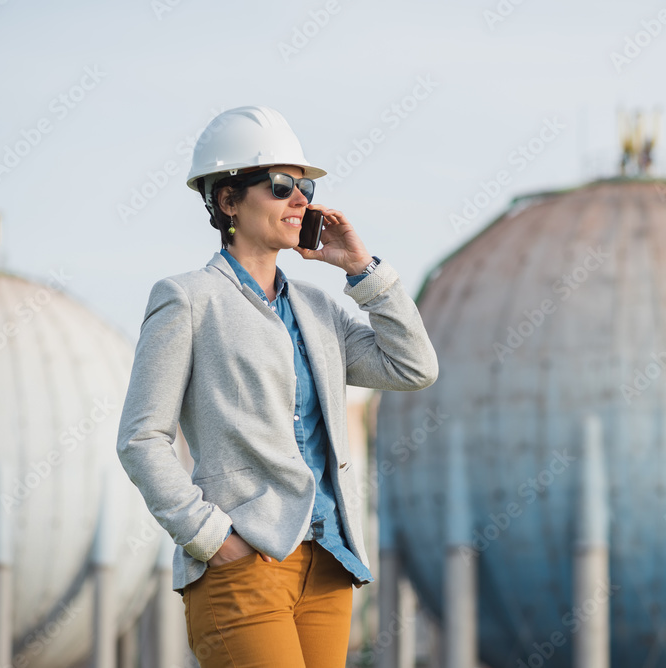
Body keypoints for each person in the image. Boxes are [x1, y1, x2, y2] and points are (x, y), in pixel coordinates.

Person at [115, 105, 438, 667]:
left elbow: (413, 367)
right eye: (282, 185)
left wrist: (361, 269)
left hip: (330, 565)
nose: (301, 200)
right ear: (228, 200)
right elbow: (141, 438)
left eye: (305, 187)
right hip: (245, 563)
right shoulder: (187, 299)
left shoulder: (320, 311)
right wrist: (213, 540)